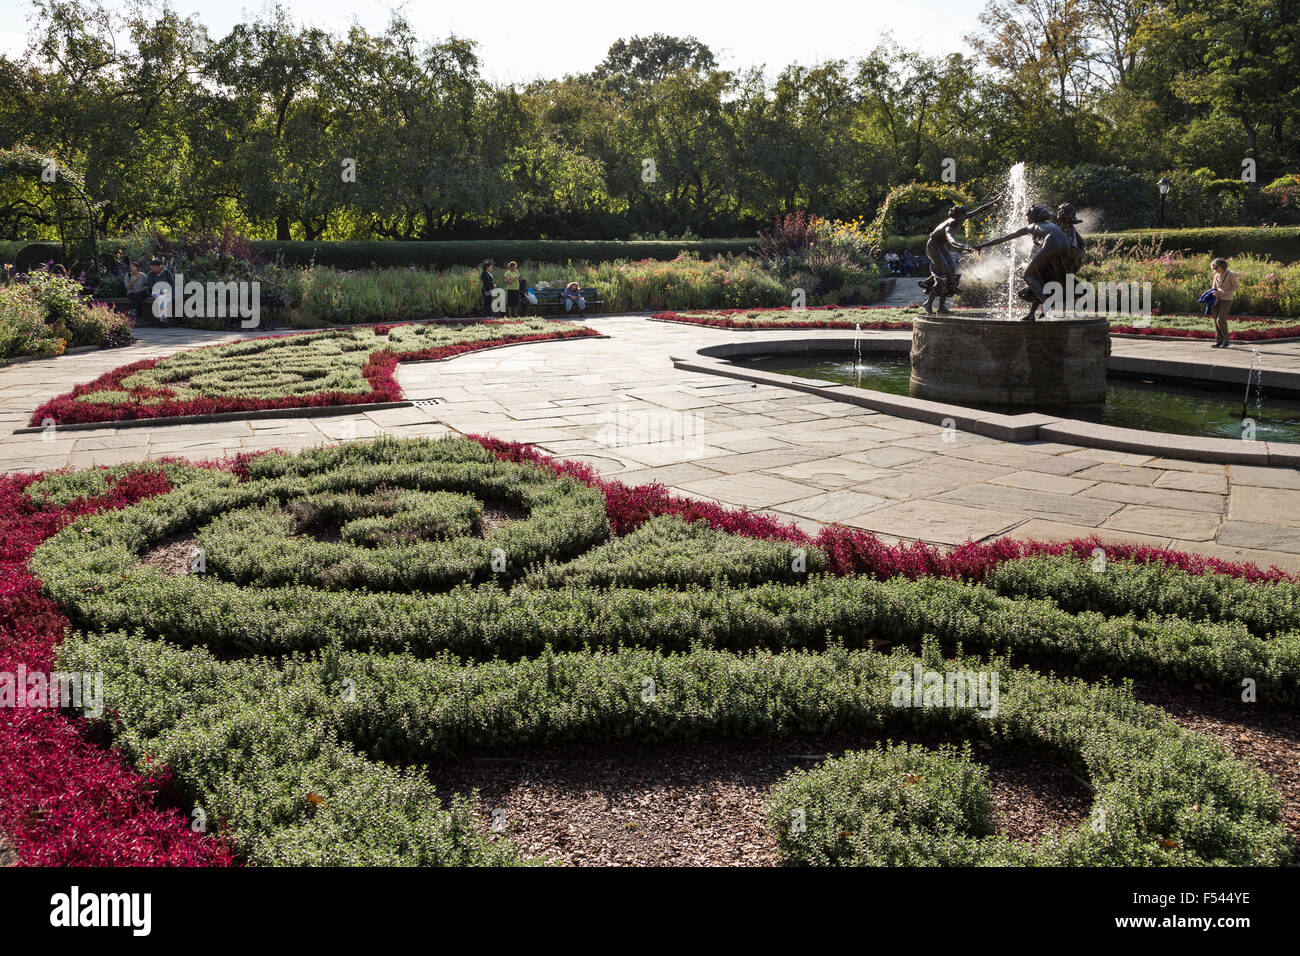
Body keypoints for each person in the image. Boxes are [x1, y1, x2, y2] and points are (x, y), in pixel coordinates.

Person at [976, 205, 1074, 322]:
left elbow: (1005, 238)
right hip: (1066, 247)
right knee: (1038, 280)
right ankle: (1031, 314)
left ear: (1032, 217)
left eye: (1027, 216)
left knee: (1027, 275)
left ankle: (1048, 302)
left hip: (1052, 243)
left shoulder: (1031, 226)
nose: (1026, 219)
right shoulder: (1051, 224)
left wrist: (981, 246)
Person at [1210, 257, 1239, 348]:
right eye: (1213, 268)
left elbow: (1236, 287)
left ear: (1222, 266)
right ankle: (1219, 341)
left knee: (1221, 319)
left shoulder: (1230, 274)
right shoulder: (1216, 275)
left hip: (1227, 299)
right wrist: (1214, 292)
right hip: (1217, 300)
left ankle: (1227, 341)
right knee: (1216, 321)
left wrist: (1223, 292)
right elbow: (1213, 287)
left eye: (1216, 267)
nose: (1215, 270)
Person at [146, 258, 176, 325]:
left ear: (160, 266)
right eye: (152, 267)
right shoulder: (151, 274)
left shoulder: (167, 272)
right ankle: (164, 319)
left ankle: (162, 319)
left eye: (154, 267)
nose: (152, 268)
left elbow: (172, 284)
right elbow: (150, 286)